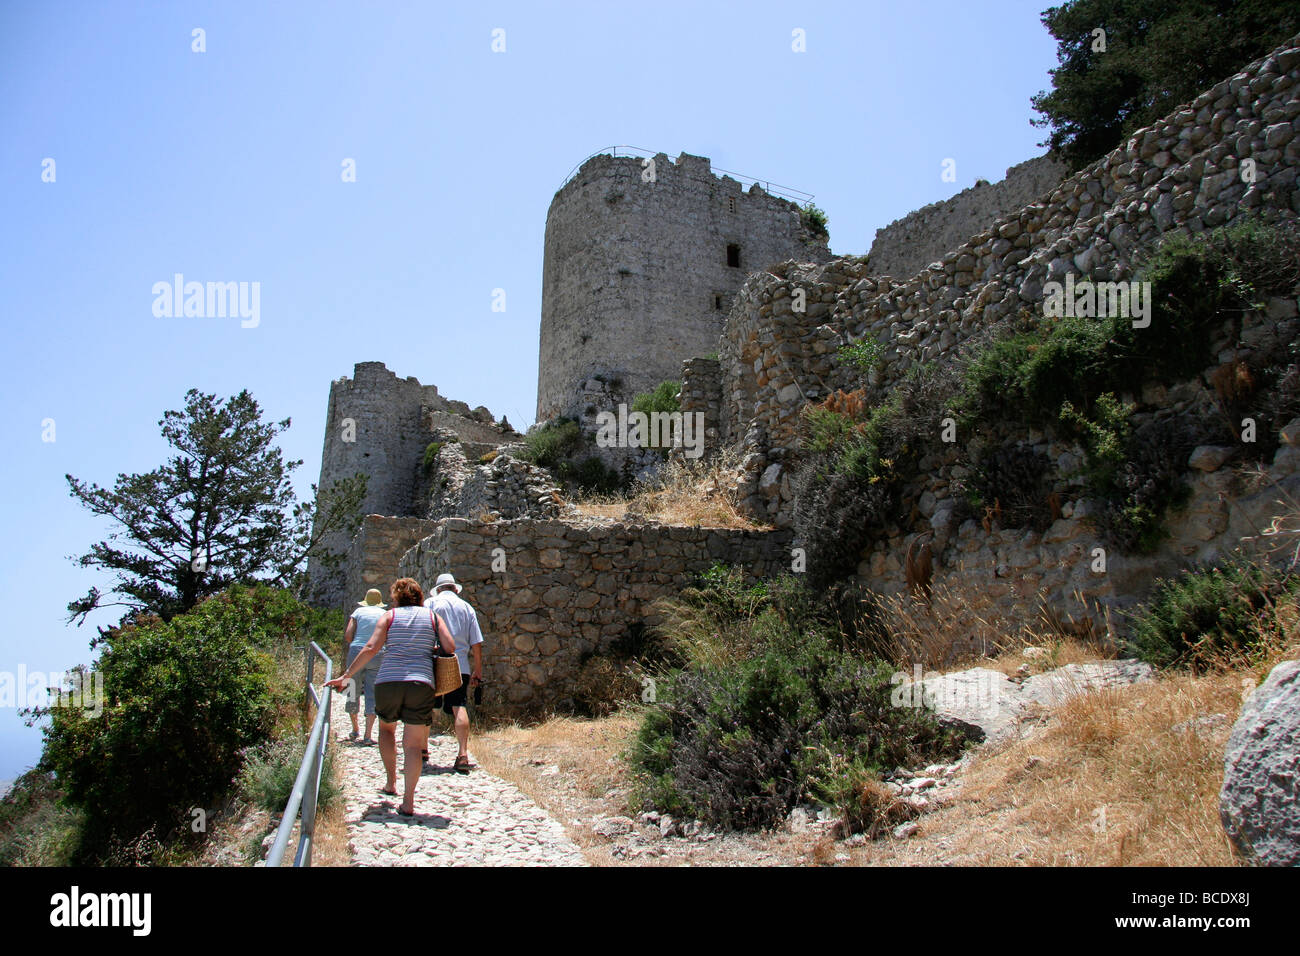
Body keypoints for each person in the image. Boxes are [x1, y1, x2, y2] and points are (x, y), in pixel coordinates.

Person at [326, 577, 455, 816]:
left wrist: (346, 676)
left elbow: (370, 648)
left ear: (395, 597)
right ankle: (408, 802)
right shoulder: (433, 618)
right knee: (414, 745)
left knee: (387, 730)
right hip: (421, 681)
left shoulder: (389, 617)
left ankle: (391, 782)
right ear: (420, 597)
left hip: (388, 681)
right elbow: (450, 646)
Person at [424, 573, 484, 774]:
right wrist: (478, 669)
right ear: (455, 589)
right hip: (460, 665)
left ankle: (423, 749)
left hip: (434, 662)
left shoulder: (430, 604)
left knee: (427, 705)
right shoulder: (467, 608)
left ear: (439, 589)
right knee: (459, 706)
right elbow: (476, 643)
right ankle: (463, 753)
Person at [342, 589, 388, 744]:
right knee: (372, 692)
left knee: (352, 688)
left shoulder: (358, 612)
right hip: (377, 652)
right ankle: (368, 735)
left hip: (357, 651)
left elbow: (348, 635)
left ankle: (355, 729)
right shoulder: (384, 614)